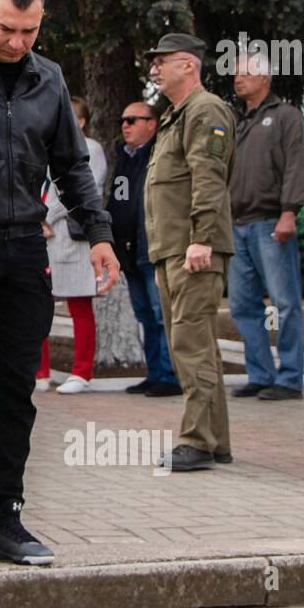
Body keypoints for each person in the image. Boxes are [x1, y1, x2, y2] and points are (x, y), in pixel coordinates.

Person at [0, 0, 119, 566]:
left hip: (24, 248)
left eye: (30, 31)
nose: (17, 43)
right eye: (8, 29)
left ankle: (5, 518)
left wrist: (99, 234)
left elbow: (71, 165)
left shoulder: (49, 79)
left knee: (19, 383)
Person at [144, 34, 236, 472]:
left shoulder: (205, 110)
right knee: (197, 345)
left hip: (193, 248)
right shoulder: (175, 115)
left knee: (190, 343)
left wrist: (202, 238)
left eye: (163, 62)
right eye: (154, 62)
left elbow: (209, 177)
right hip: (174, 248)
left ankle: (196, 440)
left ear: (189, 65)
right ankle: (214, 440)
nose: (154, 69)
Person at [228, 50, 304, 401]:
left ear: (265, 77)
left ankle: (290, 378)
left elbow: (296, 165)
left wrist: (289, 211)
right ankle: (260, 373)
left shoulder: (286, 116)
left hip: (270, 222)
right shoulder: (234, 120)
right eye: (235, 73)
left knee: (284, 303)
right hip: (235, 223)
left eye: (245, 72)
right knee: (243, 305)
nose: (237, 78)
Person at [106, 101, 181, 396]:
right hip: (129, 250)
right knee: (145, 316)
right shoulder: (124, 157)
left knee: (162, 313)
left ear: (152, 124)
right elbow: (119, 200)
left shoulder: (160, 154)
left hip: (153, 247)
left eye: (133, 120)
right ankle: (155, 372)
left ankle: (171, 376)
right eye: (123, 119)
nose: (125, 125)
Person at [36, 97, 107, 394]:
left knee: (79, 305)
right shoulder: (47, 146)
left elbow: (82, 188)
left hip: (69, 237)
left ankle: (82, 372)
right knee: (38, 307)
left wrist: (45, 217)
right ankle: (40, 372)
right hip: (44, 238)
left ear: (80, 121)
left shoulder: (90, 148)